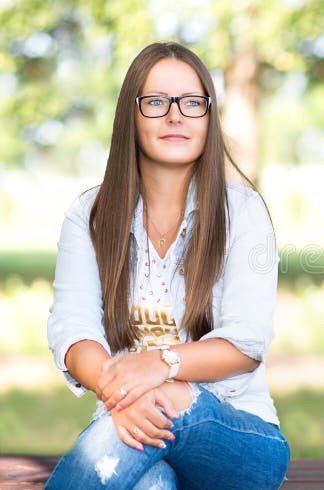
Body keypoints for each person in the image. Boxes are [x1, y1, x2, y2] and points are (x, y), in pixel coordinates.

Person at [45, 41, 289, 489]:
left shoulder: (244, 212)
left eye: (192, 103)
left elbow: (246, 343)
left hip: (238, 445)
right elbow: (73, 329)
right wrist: (118, 392)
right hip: (130, 431)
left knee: (169, 398)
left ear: (208, 116)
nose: (176, 115)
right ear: (130, 116)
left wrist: (161, 365)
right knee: (152, 485)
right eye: (156, 101)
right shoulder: (90, 216)